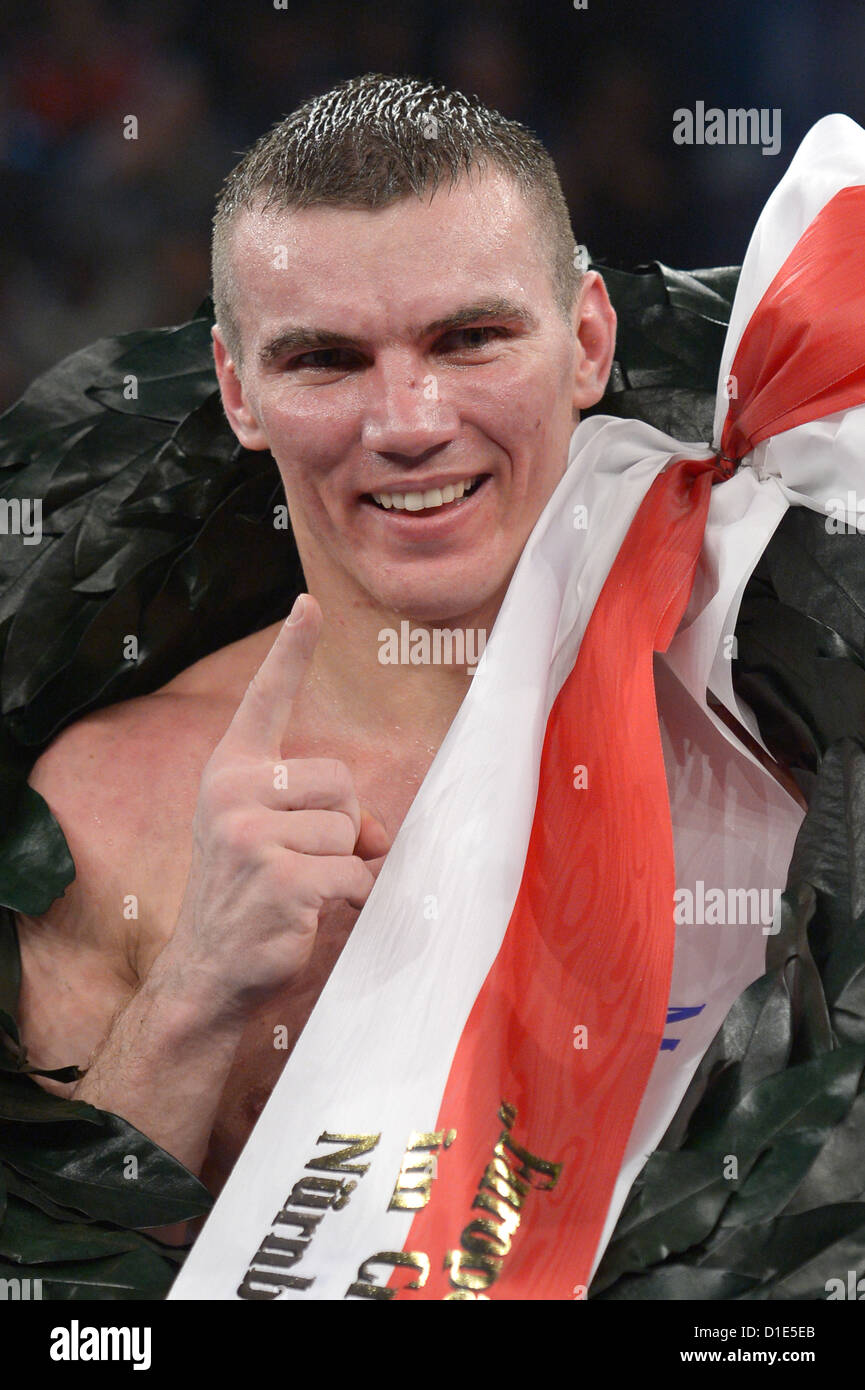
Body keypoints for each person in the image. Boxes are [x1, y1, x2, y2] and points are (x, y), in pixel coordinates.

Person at [13, 72, 623, 1203]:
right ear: (238, 392)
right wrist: (195, 987)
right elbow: (58, 1290)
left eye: (472, 337)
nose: (408, 424)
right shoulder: (103, 806)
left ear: (586, 339)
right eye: (326, 360)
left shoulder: (763, 715)